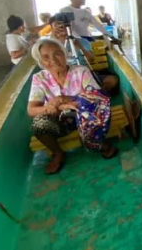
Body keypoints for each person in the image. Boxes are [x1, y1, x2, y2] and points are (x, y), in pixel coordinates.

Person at [28, 38, 118, 174]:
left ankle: (95, 141)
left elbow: (96, 97)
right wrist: (53, 108)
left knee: (91, 105)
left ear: (65, 54)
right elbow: (31, 109)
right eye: (46, 57)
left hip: (84, 117)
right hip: (60, 121)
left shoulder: (81, 71)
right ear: (40, 61)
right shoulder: (39, 78)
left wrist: (64, 99)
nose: (53, 60)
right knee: (38, 123)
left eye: (57, 53)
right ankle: (58, 153)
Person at [50, 15, 120, 95]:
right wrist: (54, 40)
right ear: (52, 28)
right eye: (57, 25)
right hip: (63, 78)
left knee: (112, 80)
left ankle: (98, 96)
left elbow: (92, 59)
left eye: (64, 24)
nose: (62, 27)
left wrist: (81, 47)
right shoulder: (50, 45)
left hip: (86, 75)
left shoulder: (82, 41)